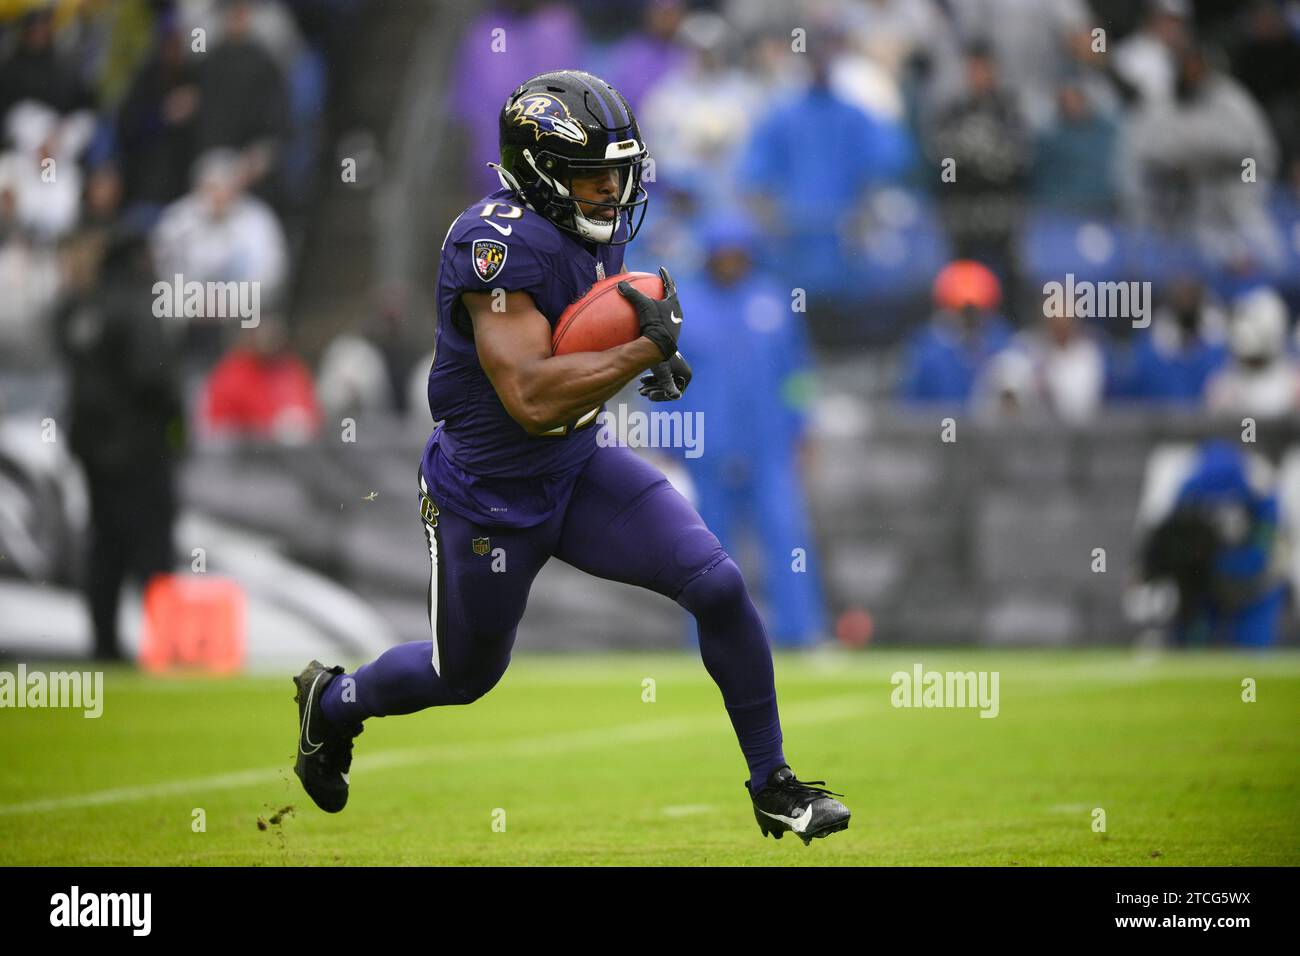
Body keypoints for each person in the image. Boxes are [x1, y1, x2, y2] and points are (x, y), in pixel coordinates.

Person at [290, 70, 850, 844]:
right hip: (488, 497)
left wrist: (642, 357)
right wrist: (644, 345)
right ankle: (333, 704)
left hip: (577, 468)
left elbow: (581, 341)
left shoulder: (598, 228)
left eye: (617, 175)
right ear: (537, 171)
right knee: (465, 676)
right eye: (592, 176)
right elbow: (528, 394)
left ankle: (774, 783)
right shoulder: (491, 244)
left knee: (717, 585)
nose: (610, 194)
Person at [667, 213, 826, 647]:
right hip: (705, 452)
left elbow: (796, 375)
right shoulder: (684, 308)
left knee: (787, 540)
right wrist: (667, 442)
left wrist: (803, 427)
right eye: (722, 253)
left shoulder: (773, 303)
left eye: (738, 253)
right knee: (703, 553)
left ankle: (799, 634)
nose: (730, 261)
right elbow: (662, 380)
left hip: (768, 447)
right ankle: (710, 640)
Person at [54, 221, 184, 661]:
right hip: (139, 448)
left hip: (92, 447)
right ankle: (163, 645)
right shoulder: (135, 304)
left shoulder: (81, 309)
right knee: (152, 547)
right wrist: (177, 423)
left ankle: (104, 643)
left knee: (105, 545)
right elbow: (153, 375)